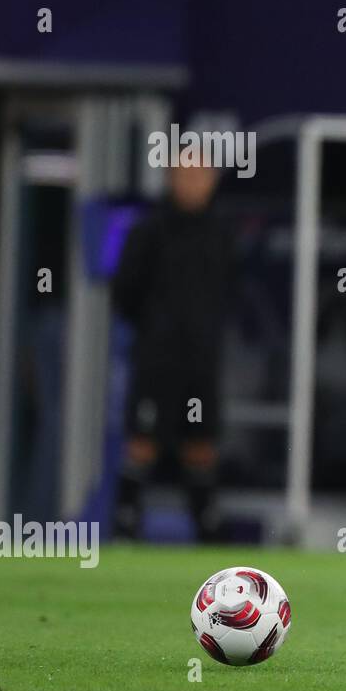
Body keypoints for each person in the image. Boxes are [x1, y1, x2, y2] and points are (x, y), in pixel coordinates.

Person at [111, 160, 233, 542]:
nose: (191, 181)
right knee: (143, 440)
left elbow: (232, 291)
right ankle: (126, 525)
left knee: (200, 443)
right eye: (183, 172)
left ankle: (207, 530)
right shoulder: (148, 230)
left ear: (212, 181)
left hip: (201, 361)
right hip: (155, 360)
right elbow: (125, 293)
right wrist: (158, 329)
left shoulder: (222, 234)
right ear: (170, 178)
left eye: (199, 174)